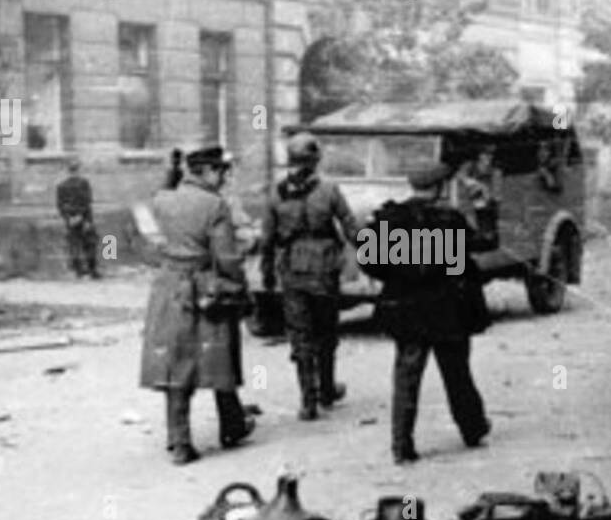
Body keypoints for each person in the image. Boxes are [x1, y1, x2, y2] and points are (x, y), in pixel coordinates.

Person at [362, 162, 491, 464]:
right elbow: (485, 244)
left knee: (406, 377)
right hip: (448, 309)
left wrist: (398, 277)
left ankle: (401, 446)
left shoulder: (389, 218)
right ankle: (472, 430)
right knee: (457, 372)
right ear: (439, 188)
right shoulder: (451, 220)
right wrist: (483, 207)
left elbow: (368, 260)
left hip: (407, 311)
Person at [139, 144, 255, 464]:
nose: (224, 178)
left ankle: (179, 441)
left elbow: (147, 239)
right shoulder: (215, 205)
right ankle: (232, 426)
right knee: (221, 355)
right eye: (221, 171)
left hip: (168, 287)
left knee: (175, 362)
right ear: (207, 171)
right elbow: (227, 257)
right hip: (206, 287)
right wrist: (240, 286)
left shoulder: (161, 199)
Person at [260, 131, 362, 421]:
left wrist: (267, 276)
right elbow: (351, 228)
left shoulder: (275, 193)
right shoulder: (329, 189)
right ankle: (327, 390)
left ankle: (307, 402)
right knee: (326, 331)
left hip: (291, 270)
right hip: (325, 269)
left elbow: (267, 240)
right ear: (315, 160)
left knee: (300, 335)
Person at [56, 157, 99, 278]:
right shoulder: (83, 183)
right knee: (90, 244)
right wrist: (84, 218)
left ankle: (78, 271)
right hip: (84, 218)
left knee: (74, 244)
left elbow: (60, 205)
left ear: (67, 170)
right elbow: (87, 202)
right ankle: (92, 270)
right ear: (78, 169)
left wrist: (68, 218)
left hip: (71, 220)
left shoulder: (61, 186)